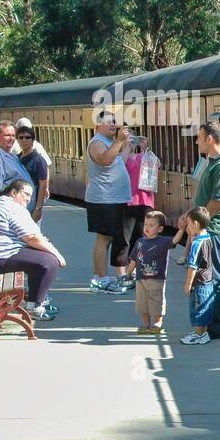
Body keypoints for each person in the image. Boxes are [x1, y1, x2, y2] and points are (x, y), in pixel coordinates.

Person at [177, 115, 220, 339]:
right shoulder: (214, 162)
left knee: (216, 275)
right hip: (211, 226)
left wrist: (198, 223)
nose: (196, 142)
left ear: (210, 139)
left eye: (199, 138)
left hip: (217, 227)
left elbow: (219, 201)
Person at [0, 178, 66, 321]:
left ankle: (35, 300)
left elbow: (29, 236)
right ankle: (35, 306)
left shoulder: (3, 204)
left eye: (31, 196)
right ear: (14, 192)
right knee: (49, 262)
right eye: (26, 194)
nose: (28, 199)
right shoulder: (13, 208)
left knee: (41, 255)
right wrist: (57, 254)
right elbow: (31, 237)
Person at [84, 111, 133, 293]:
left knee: (108, 238)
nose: (114, 125)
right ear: (98, 124)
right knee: (103, 239)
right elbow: (105, 160)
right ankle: (101, 280)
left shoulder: (108, 142)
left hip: (113, 199)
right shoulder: (97, 142)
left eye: (115, 122)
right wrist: (119, 141)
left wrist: (128, 145)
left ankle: (101, 276)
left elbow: (118, 161)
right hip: (103, 199)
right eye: (109, 122)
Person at [127, 210, 176, 334]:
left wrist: (181, 230)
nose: (147, 227)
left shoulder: (163, 241)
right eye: (145, 224)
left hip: (157, 278)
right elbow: (134, 258)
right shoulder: (139, 242)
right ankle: (145, 324)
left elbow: (175, 241)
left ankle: (157, 322)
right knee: (142, 302)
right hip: (140, 278)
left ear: (160, 229)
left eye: (151, 225)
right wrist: (128, 272)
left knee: (156, 300)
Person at [121, 133, 159, 271]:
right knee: (126, 238)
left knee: (143, 236)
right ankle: (127, 268)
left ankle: (140, 266)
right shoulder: (123, 157)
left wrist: (146, 148)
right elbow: (120, 165)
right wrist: (128, 147)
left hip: (145, 202)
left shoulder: (146, 156)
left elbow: (157, 164)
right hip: (128, 201)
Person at [180, 207, 215, 346]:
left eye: (188, 223)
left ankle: (199, 335)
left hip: (199, 282)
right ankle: (203, 332)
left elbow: (192, 266)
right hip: (208, 280)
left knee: (198, 307)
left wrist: (187, 284)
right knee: (205, 307)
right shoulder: (208, 237)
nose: (187, 226)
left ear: (195, 224)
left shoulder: (196, 243)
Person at [15, 124, 51, 223]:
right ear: (17, 140)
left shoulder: (39, 160)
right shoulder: (16, 159)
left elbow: (43, 185)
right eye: (21, 138)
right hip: (17, 205)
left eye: (27, 137)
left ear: (33, 140)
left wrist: (38, 208)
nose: (24, 140)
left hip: (31, 205)